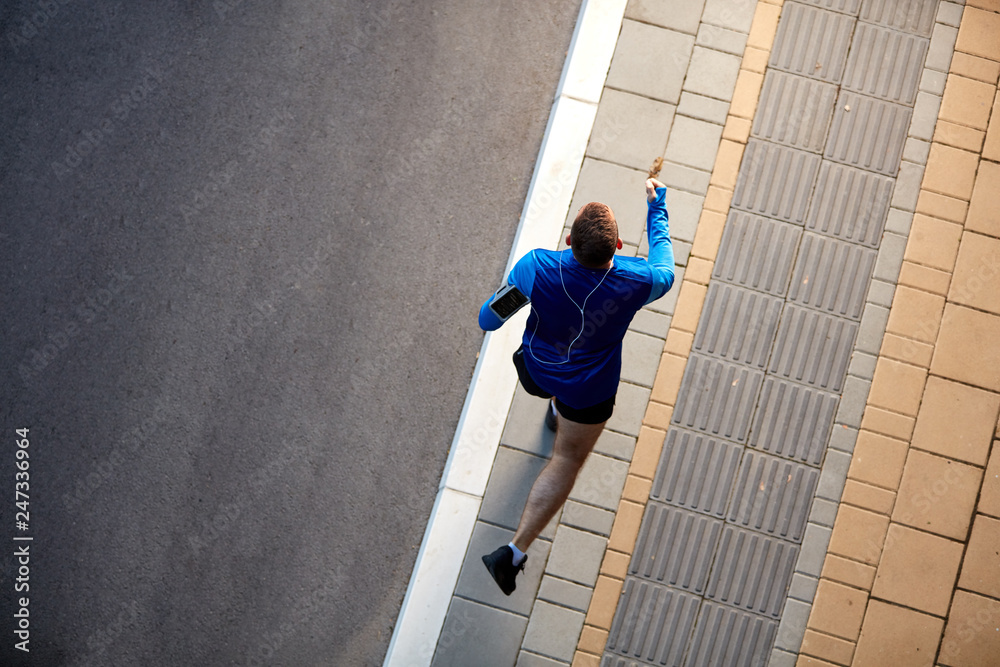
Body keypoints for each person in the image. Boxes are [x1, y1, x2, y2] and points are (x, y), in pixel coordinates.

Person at [478, 177, 675, 595]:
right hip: (589, 392)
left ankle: (554, 410)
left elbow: (488, 319)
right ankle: (512, 553)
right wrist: (656, 207)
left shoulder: (536, 267)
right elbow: (666, 268)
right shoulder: (638, 281)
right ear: (618, 247)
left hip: (538, 371)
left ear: (569, 240)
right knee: (567, 457)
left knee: (557, 396)